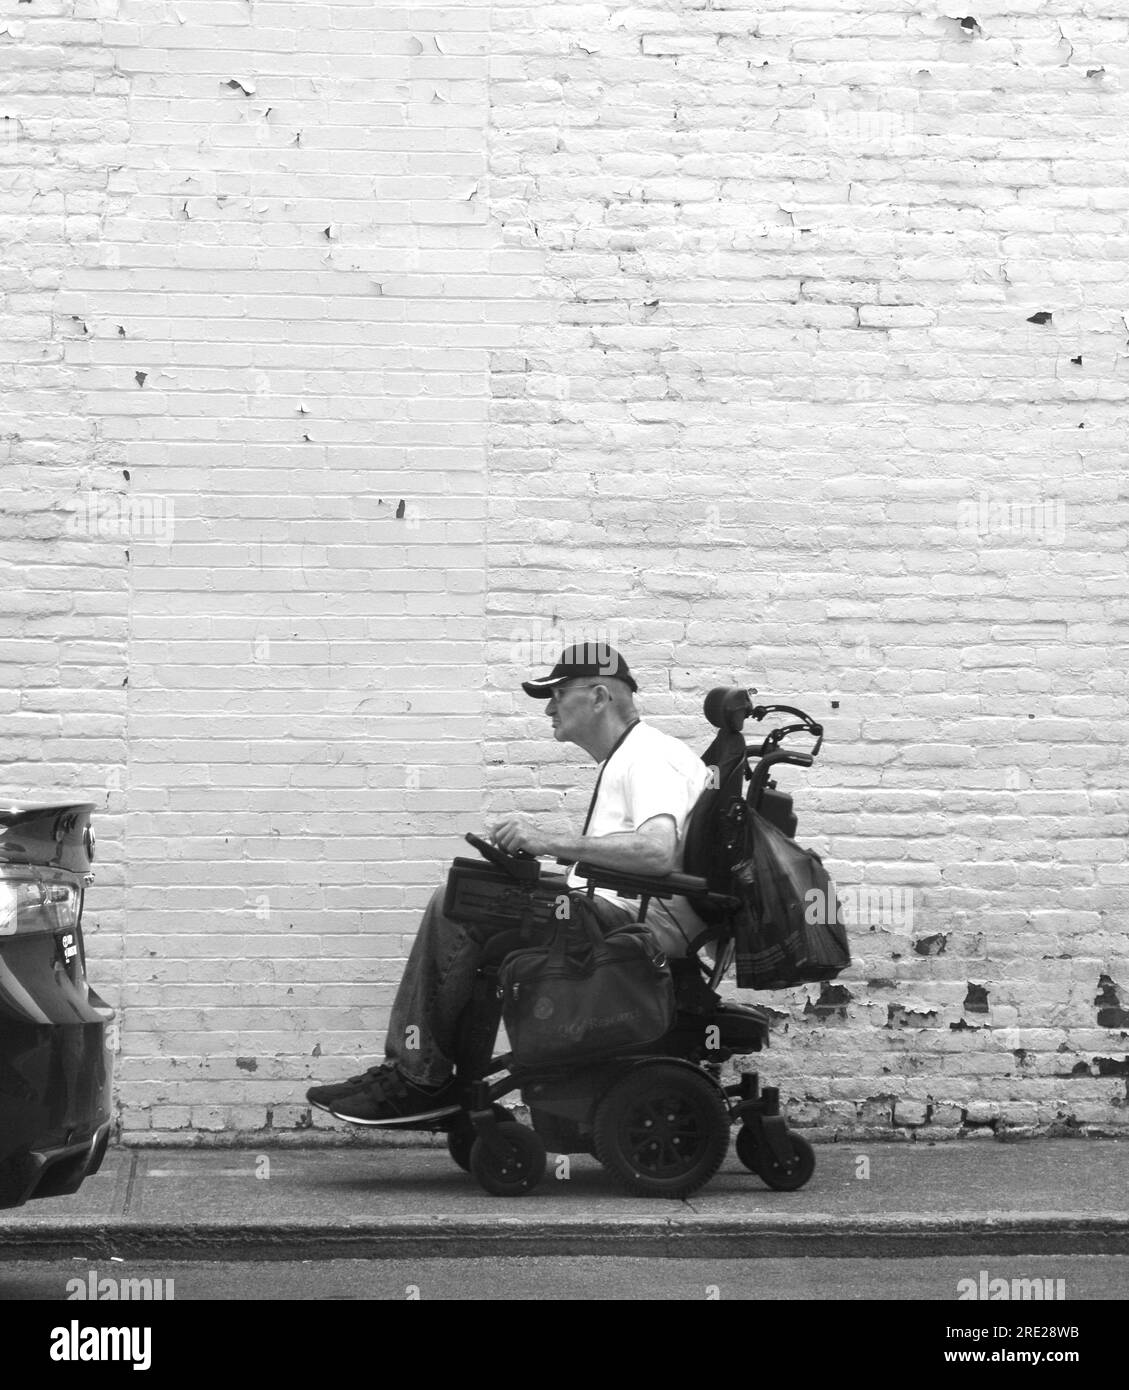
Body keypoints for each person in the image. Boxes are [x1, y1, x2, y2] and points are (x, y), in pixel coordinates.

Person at [306, 643, 711, 1125]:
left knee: (457, 903)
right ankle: (443, 1081)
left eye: (559, 693)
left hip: (634, 923)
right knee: (473, 891)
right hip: (620, 912)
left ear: (600, 696)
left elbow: (656, 850)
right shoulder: (631, 756)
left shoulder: (648, 756)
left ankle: (417, 1077)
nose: (549, 707)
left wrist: (546, 841)